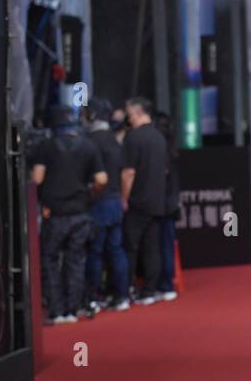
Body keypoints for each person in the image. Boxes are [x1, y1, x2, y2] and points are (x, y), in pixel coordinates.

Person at [31, 104, 107, 324]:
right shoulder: (89, 146)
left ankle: (56, 310)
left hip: (54, 213)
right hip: (81, 211)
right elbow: (102, 179)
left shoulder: (45, 146)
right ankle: (73, 309)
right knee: (76, 261)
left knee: (50, 261)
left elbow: (37, 179)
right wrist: (89, 193)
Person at [120, 96, 169, 305]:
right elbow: (165, 170)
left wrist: (124, 198)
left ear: (139, 112)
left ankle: (127, 288)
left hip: (137, 201)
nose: (127, 118)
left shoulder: (133, 138)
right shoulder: (159, 137)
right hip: (157, 200)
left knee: (130, 247)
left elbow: (128, 173)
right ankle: (150, 289)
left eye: (129, 114)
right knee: (152, 247)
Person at [84, 98, 131, 313]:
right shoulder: (114, 140)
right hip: (114, 201)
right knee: (116, 249)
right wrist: (123, 197)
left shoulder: (90, 141)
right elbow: (123, 173)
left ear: (91, 115)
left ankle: (91, 298)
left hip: (98, 202)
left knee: (95, 252)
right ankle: (121, 295)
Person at [153, 109, 181, 301]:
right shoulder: (171, 147)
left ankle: (164, 284)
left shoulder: (162, 150)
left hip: (162, 203)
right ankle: (166, 283)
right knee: (167, 244)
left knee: (162, 245)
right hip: (170, 202)